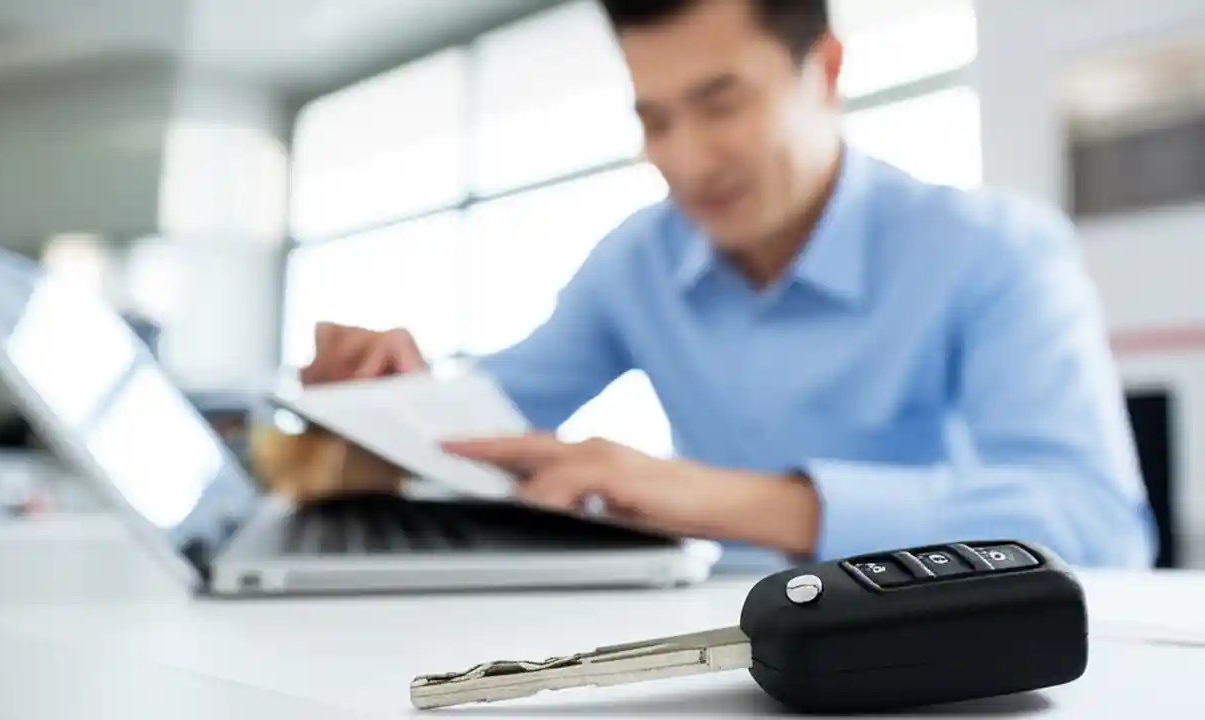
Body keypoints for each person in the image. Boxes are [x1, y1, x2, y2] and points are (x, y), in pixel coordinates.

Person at [299, 0, 1154, 567]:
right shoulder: (637, 260)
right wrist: (392, 409)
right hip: (710, 647)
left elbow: (1097, 528)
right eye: (655, 118)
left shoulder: (994, 250)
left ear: (826, 70)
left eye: (721, 103)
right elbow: (497, 425)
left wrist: (711, 497)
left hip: (941, 653)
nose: (685, 158)